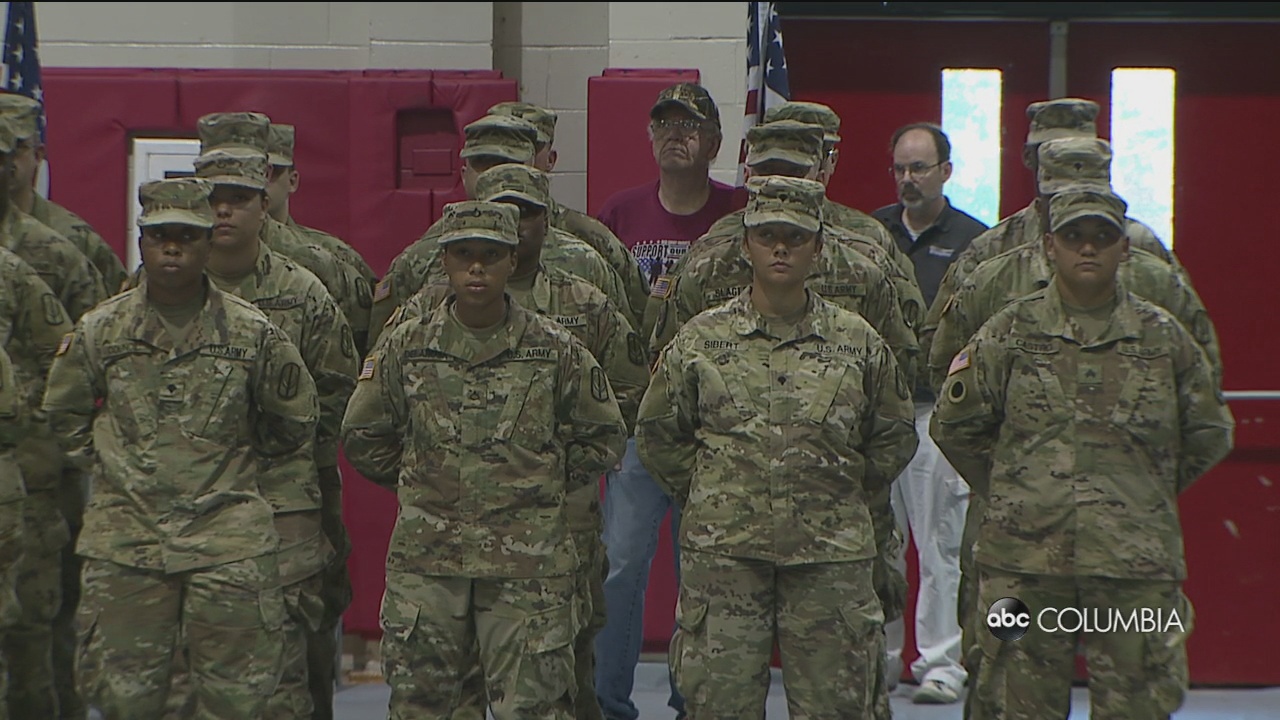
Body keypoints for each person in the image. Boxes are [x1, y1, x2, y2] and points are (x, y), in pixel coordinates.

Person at [930, 186, 1234, 720]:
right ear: (1050, 246)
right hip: (1023, 568)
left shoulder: (1165, 339)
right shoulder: (1008, 333)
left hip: (1133, 569)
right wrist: (1012, 490)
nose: (1087, 248)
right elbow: (956, 426)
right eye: (1073, 236)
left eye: (1102, 236)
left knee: (1138, 700)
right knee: (1014, 701)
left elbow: (1208, 432)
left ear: (1124, 249)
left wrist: (1139, 494)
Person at [637, 175, 918, 718]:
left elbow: (893, 435)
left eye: (795, 236)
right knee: (720, 705)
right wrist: (716, 493)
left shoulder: (856, 340)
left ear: (818, 247)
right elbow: (659, 433)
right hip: (726, 557)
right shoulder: (700, 339)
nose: (781, 247)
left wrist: (832, 490)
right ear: (746, 245)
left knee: (838, 707)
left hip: (829, 556)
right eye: (767, 235)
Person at [41, 176, 321, 718]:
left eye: (187, 237)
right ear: (141, 241)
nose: (173, 248)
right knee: (125, 698)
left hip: (227, 542)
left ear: (208, 243)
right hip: (127, 542)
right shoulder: (102, 329)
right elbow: (64, 413)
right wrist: (112, 466)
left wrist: (231, 471)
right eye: (159, 235)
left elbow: (292, 420)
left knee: (237, 700)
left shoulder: (250, 332)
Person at [341, 200, 627, 720]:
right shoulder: (407, 346)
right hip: (430, 563)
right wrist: (424, 481)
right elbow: (364, 433)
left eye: (491, 256)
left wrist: (536, 486)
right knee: (427, 706)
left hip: (527, 566)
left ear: (512, 262)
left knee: (535, 705)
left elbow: (604, 434)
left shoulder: (554, 348)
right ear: (445, 262)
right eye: (464, 254)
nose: (477, 268)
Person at [125, 144, 356, 719]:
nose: (225, 211)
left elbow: (337, 393)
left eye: (239, 199)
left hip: (280, 502)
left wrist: (277, 454)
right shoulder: (147, 290)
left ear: (264, 204)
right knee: (185, 668)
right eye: (214, 200)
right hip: (180, 506)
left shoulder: (303, 292)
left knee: (292, 661)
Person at [592, 80, 741, 720]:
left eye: (690, 125)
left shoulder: (741, 215)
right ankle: (607, 703)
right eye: (664, 125)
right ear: (651, 138)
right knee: (621, 564)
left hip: (717, 426)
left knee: (701, 571)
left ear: (713, 141)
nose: (676, 135)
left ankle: (693, 702)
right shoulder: (619, 215)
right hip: (637, 423)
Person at [871, 122, 988, 704]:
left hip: (935, 416)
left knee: (940, 543)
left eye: (919, 168)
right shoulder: (872, 233)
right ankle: (884, 660)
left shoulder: (974, 240)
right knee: (877, 544)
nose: (908, 180)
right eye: (900, 169)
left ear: (946, 170)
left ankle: (942, 664)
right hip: (874, 415)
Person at [925, 98, 1185, 345]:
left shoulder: (1140, 244)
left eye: (1079, 154)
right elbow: (942, 350)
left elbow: (1193, 351)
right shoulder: (993, 249)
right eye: (1051, 151)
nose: (1068, 162)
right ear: (1030, 158)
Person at [0, 114, 105, 720]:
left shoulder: (54, 251)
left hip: (38, 476)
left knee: (41, 626)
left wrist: (51, 427)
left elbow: (94, 350)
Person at [197, 111, 371, 358]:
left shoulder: (315, 266)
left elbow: (358, 353)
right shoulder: (177, 265)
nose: (225, 208)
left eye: (239, 193)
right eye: (215, 192)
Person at [489, 101, 647, 324]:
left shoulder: (590, 240)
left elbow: (637, 319)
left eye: (527, 149)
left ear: (550, 160)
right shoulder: (442, 246)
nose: (513, 161)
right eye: (499, 151)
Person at [760, 100, 915, 281]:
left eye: (814, 153)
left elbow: (906, 305)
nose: (793, 171)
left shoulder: (868, 237)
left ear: (832, 161)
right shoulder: (727, 239)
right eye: (786, 155)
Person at [0, 92, 127, 294]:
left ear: (38, 155)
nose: (7, 162)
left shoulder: (74, 237)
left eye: (17, 149)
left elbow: (119, 306)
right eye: (0, 153)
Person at [267, 122, 376, 352]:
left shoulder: (334, 259)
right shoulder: (189, 257)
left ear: (293, 180)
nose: (257, 183)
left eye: (269, 172)